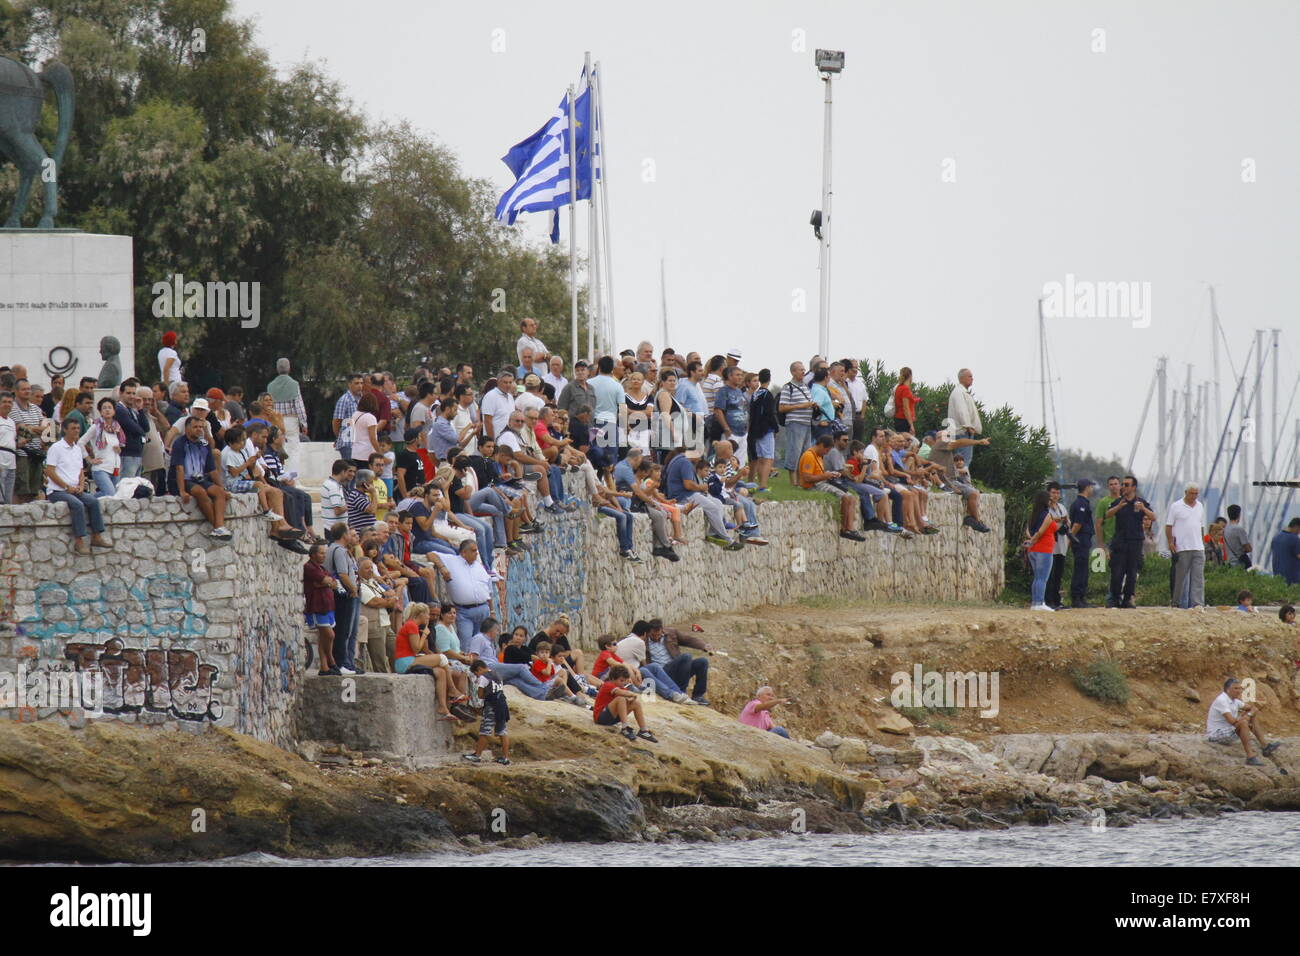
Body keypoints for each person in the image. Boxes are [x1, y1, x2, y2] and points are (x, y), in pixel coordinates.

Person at [43, 418, 114, 555]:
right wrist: (65, 486)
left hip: (74, 489)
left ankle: (96, 536)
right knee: (77, 505)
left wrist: (81, 485)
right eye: (73, 428)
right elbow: (49, 471)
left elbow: (81, 471)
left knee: (93, 501)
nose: (76, 431)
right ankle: (79, 541)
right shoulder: (56, 448)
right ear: (65, 430)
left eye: (77, 428)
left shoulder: (76, 449)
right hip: (57, 491)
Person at [168, 415, 231, 539]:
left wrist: (221, 487)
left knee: (218, 492)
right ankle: (217, 527)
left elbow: (212, 470)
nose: (199, 429)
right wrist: (181, 491)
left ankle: (219, 527)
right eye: (195, 427)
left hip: (199, 479)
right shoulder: (180, 443)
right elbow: (179, 468)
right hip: (181, 480)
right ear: (187, 429)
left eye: (201, 427)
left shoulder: (204, 444)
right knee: (200, 492)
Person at [798, 434, 866, 542]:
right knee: (845, 497)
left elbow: (818, 473)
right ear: (821, 445)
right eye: (826, 450)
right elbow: (807, 478)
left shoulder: (819, 456)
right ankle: (844, 529)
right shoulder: (809, 456)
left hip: (822, 481)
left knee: (851, 498)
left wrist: (830, 474)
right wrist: (826, 476)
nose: (827, 453)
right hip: (814, 485)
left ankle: (851, 528)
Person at [925, 428, 991, 532]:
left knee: (974, 493)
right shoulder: (940, 444)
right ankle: (976, 521)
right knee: (974, 494)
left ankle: (971, 518)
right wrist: (978, 441)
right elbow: (960, 442)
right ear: (939, 438)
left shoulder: (939, 448)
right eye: (947, 436)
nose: (950, 439)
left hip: (950, 480)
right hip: (948, 481)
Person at [1206, 677, 1281, 766]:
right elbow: (1232, 721)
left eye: (1240, 688)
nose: (1239, 691)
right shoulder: (1222, 700)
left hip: (1228, 731)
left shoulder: (1235, 701)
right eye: (1236, 688)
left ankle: (1265, 746)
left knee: (1249, 717)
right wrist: (1245, 718)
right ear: (1228, 690)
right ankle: (1250, 756)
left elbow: (1253, 708)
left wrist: (1248, 715)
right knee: (1243, 723)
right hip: (1216, 734)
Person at [1105, 476, 1155, 608]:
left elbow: (1153, 517)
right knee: (1117, 571)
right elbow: (1108, 514)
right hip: (1120, 541)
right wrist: (1119, 507)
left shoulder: (1141, 502)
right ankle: (1114, 598)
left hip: (1135, 542)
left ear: (1133, 487)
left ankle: (1128, 598)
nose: (1124, 487)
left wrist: (1143, 508)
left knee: (1132, 572)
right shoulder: (1118, 501)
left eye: (1127, 485)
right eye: (1123, 484)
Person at [462, 659, 512, 764]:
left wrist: (485, 695)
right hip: (502, 704)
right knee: (502, 731)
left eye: (476, 674)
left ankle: (477, 755)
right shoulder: (497, 674)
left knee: (485, 730)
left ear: (479, 669)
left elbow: (480, 695)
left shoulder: (483, 677)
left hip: (492, 706)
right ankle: (505, 757)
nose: (477, 676)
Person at [1166, 483, 1207, 608]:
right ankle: (1177, 602)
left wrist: (1202, 541)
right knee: (1181, 578)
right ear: (1186, 493)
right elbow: (1169, 526)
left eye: (1196, 493)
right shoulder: (1176, 506)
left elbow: (1201, 526)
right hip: (1182, 547)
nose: (1194, 496)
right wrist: (1170, 542)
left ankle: (1197, 604)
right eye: (1192, 493)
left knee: (1198, 578)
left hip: (1198, 547)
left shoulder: (1200, 506)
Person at [593, 665, 658, 742]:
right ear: (613, 678)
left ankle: (643, 730)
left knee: (636, 703)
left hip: (612, 717)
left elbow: (628, 696)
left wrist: (630, 697)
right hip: (600, 717)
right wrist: (630, 694)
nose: (623, 683)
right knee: (621, 699)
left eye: (624, 681)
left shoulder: (620, 687)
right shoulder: (608, 685)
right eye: (621, 680)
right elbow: (621, 693)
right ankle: (625, 728)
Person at [304, 544, 340, 675]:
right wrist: (326, 583)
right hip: (317, 607)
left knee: (323, 638)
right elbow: (325, 580)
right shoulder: (309, 567)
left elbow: (333, 583)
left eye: (325, 553)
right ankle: (331, 660)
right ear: (313, 554)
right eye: (321, 553)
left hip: (328, 606)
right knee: (330, 635)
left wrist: (327, 583)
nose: (324, 556)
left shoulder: (322, 568)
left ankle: (324, 667)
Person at [778, 361, 816, 473]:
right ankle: (792, 480)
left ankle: (800, 479)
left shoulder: (805, 386)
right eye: (801, 370)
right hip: (795, 423)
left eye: (804, 370)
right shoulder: (787, 387)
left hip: (807, 423)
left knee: (805, 453)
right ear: (793, 372)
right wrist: (803, 405)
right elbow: (782, 408)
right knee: (794, 452)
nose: (803, 372)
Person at [747, 368, 779, 491]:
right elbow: (769, 413)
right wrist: (775, 428)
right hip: (766, 430)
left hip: (755, 430)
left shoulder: (755, 394)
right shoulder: (767, 394)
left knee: (760, 458)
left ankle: (760, 484)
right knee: (768, 458)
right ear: (769, 379)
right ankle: (763, 485)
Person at [1094, 475, 1123, 607]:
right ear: (1108, 486)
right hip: (1110, 540)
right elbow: (1099, 523)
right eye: (1111, 484)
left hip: (1125, 539)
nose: (1114, 486)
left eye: (1116, 483)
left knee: (1126, 570)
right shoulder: (1104, 502)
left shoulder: (1125, 501)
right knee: (1115, 570)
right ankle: (1112, 597)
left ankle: (1123, 596)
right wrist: (1101, 544)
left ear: (1120, 485)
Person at [1068, 479, 1096, 608]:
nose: (1092, 489)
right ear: (1087, 487)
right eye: (1091, 487)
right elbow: (1077, 524)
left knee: (1083, 568)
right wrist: (1071, 538)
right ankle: (1077, 597)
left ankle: (1081, 597)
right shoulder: (1081, 504)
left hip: (1084, 538)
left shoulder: (1082, 502)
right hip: (1080, 539)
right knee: (1080, 568)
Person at [946, 368, 982, 468]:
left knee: (964, 459)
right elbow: (961, 411)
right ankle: (960, 482)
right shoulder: (958, 392)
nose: (972, 378)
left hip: (963, 431)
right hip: (962, 432)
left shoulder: (963, 392)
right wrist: (968, 426)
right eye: (969, 376)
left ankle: (961, 481)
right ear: (962, 378)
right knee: (962, 461)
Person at [1044, 482, 1069, 610]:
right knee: (1050, 575)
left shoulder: (1062, 508)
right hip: (1050, 546)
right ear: (1048, 493)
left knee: (1058, 575)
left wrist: (1065, 521)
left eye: (1058, 493)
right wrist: (1057, 521)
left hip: (1061, 545)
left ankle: (1057, 600)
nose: (1055, 495)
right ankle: (1048, 601)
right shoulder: (1045, 508)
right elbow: (1044, 524)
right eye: (1053, 492)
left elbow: (1068, 523)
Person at [1269, 518, 1300, 585]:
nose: (1299, 533)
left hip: (1278, 578)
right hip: (1293, 579)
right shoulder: (1295, 539)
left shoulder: (1276, 537)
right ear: (1296, 527)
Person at [1224, 504, 1253, 569]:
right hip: (1239, 564)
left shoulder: (1225, 529)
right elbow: (1249, 548)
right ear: (1239, 515)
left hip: (1229, 564)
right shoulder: (1239, 529)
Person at [892, 366, 919, 434]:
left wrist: (916, 400)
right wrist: (911, 425)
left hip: (898, 419)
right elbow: (906, 408)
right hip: (904, 420)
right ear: (910, 376)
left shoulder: (899, 387)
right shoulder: (905, 389)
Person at [0, 389, 15, 504]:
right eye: (4, 401)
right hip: (1, 461)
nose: (7, 404)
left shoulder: (11, 422)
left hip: (11, 462)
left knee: (8, 499)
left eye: (10, 402)